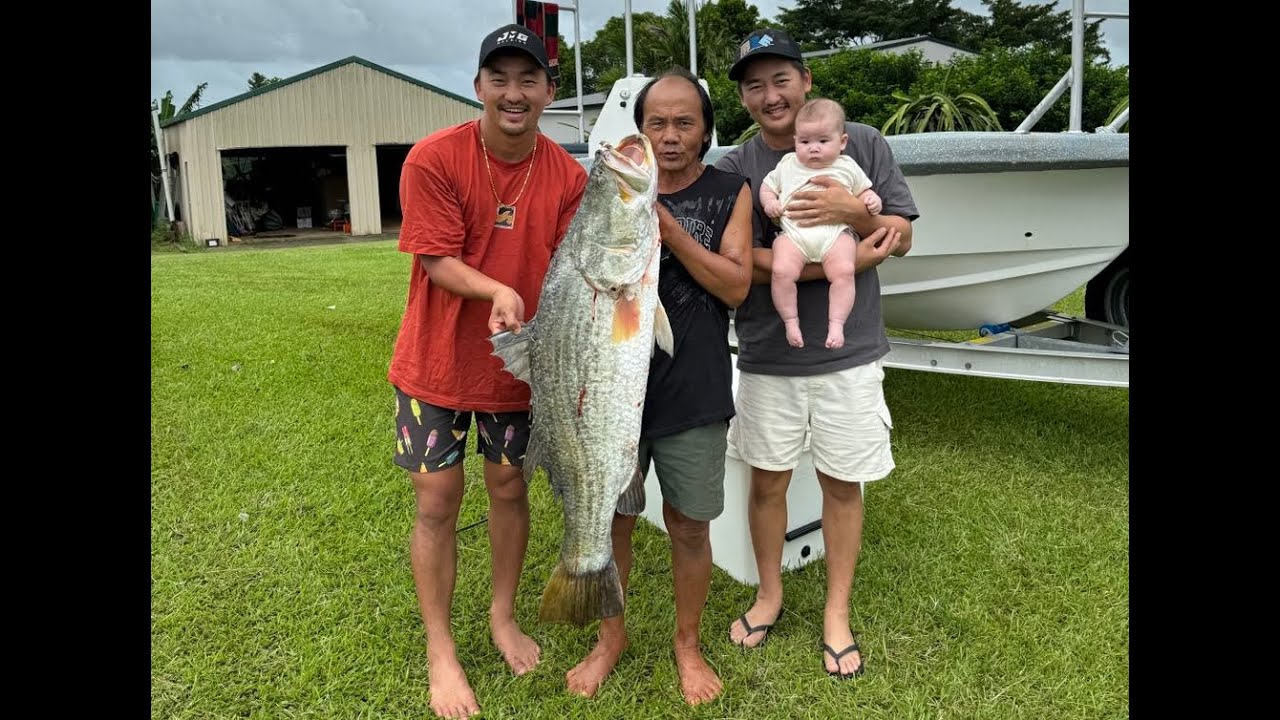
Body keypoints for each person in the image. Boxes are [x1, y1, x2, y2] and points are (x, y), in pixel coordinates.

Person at [387, 23, 587, 720]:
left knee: (508, 488)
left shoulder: (568, 175)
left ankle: (502, 617)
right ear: (478, 87)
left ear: (548, 93)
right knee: (437, 501)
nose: (513, 92)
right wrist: (495, 290)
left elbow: (573, 275)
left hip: (517, 370)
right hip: (435, 365)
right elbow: (436, 261)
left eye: (528, 80)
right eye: (499, 78)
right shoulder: (433, 159)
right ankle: (441, 647)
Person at [713, 27, 920, 679]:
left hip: (849, 354)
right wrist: (842, 260)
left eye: (780, 80)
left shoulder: (863, 144)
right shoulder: (735, 169)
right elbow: (734, 261)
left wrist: (851, 217)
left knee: (841, 483)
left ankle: (836, 611)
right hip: (767, 354)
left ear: (807, 82)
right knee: (767, 481)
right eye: (754, 85)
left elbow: (902, 235)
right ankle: (769, 595)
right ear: (743, 99)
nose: (769, 95)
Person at [564, 67, 753, 706]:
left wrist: (668, 231)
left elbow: (735, 285)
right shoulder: (615, 193)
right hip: (611, 389)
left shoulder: (732, 190)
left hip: (693, 388)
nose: (669, 136)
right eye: (656, 123)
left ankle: (687, 642)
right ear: (640, 128)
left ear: (704, 131)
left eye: (684, 123)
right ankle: (608, 638)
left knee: (689, 524)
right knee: (614, 517)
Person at [761, 98, 882, 350]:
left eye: (823, 141)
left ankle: (836, 324)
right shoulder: (787, 165)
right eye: (805, 142)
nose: (813, 148)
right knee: (781, 271)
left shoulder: (847, 166)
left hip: (835, 235)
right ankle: (791, 321)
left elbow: (864, 191)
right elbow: (767, 186)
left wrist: (871, 200)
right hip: (793, 235)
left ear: (842, 142)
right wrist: (769, 201)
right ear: (795, 141)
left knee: (844, 271)